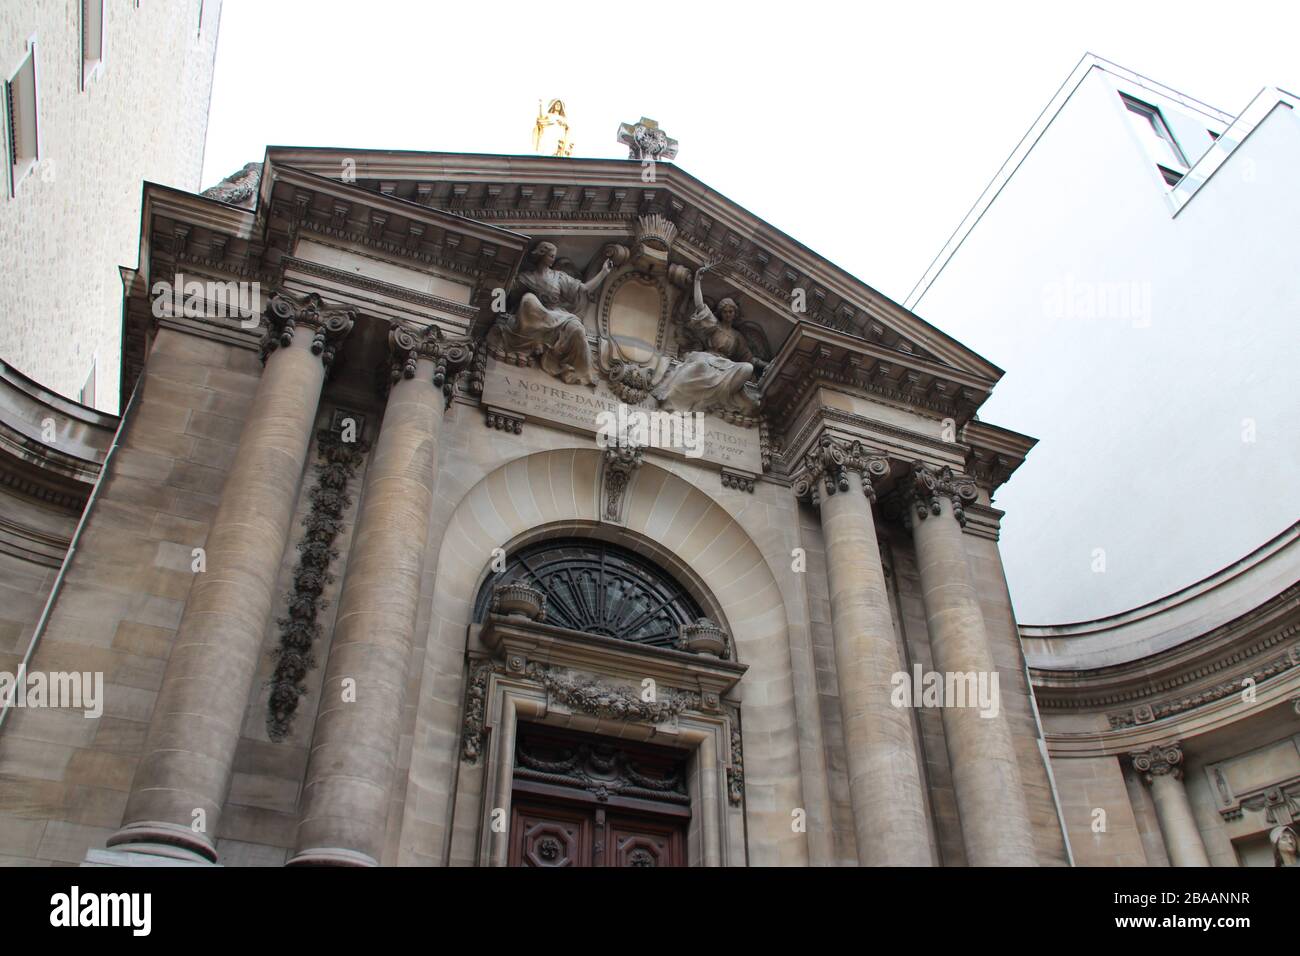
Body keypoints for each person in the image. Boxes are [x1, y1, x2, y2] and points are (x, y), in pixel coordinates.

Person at [653, 266, 766, 415]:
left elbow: (750, 359)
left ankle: (715, 398)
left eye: (731, 311)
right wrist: (697, 281)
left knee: (747, 368)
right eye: (725, 311)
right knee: (699, 365)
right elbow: (700, 306)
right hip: (708, 358)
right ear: (720, 312)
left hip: (727, 365)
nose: (728, 314)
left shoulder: (737, 336)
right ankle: (674, 396)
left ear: (735, 313)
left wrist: (767, 365)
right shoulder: (715, 326)